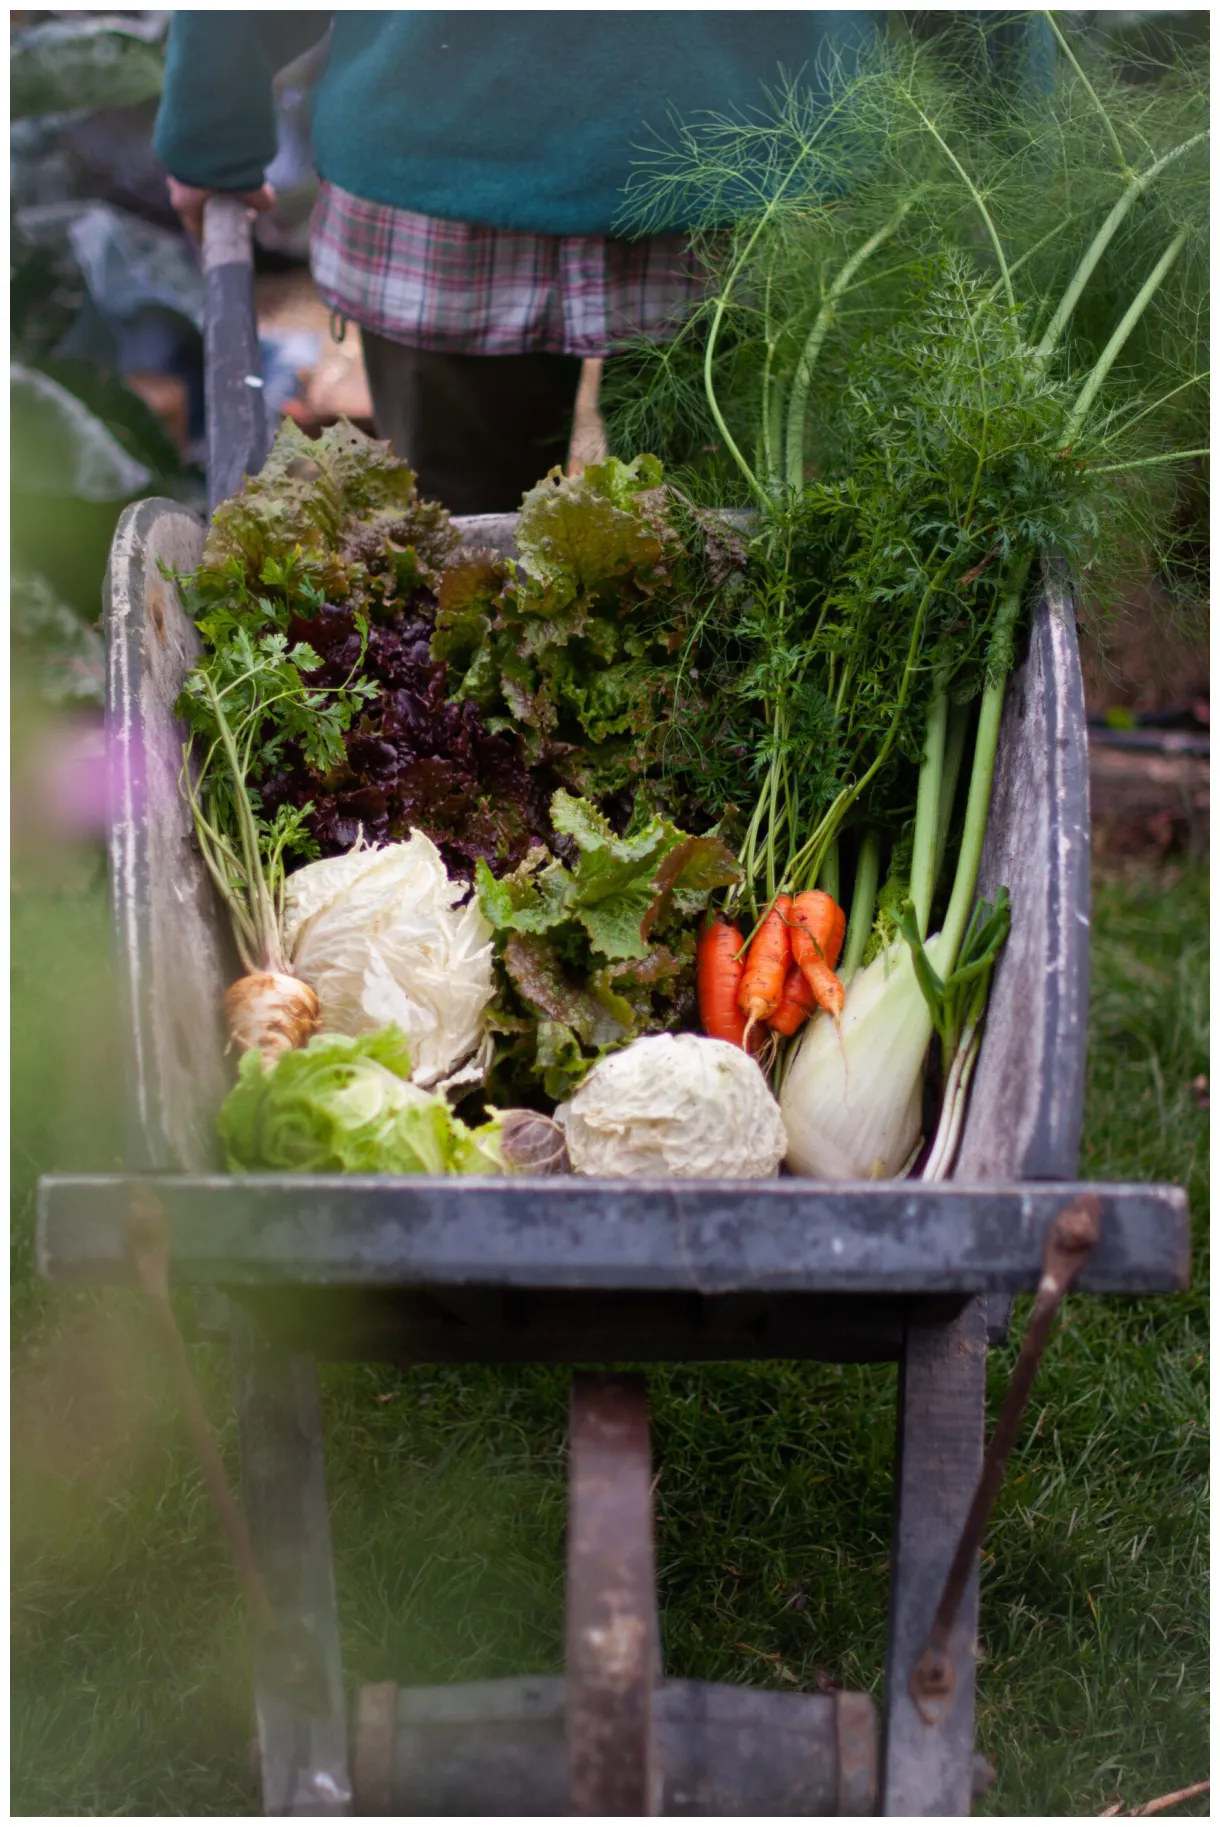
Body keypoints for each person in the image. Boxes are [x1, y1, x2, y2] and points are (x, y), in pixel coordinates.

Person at [155, 11, 882, 512]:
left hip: (736, 160)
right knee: (454, 567)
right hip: (737, 130)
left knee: (721, 568)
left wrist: (213, 112)